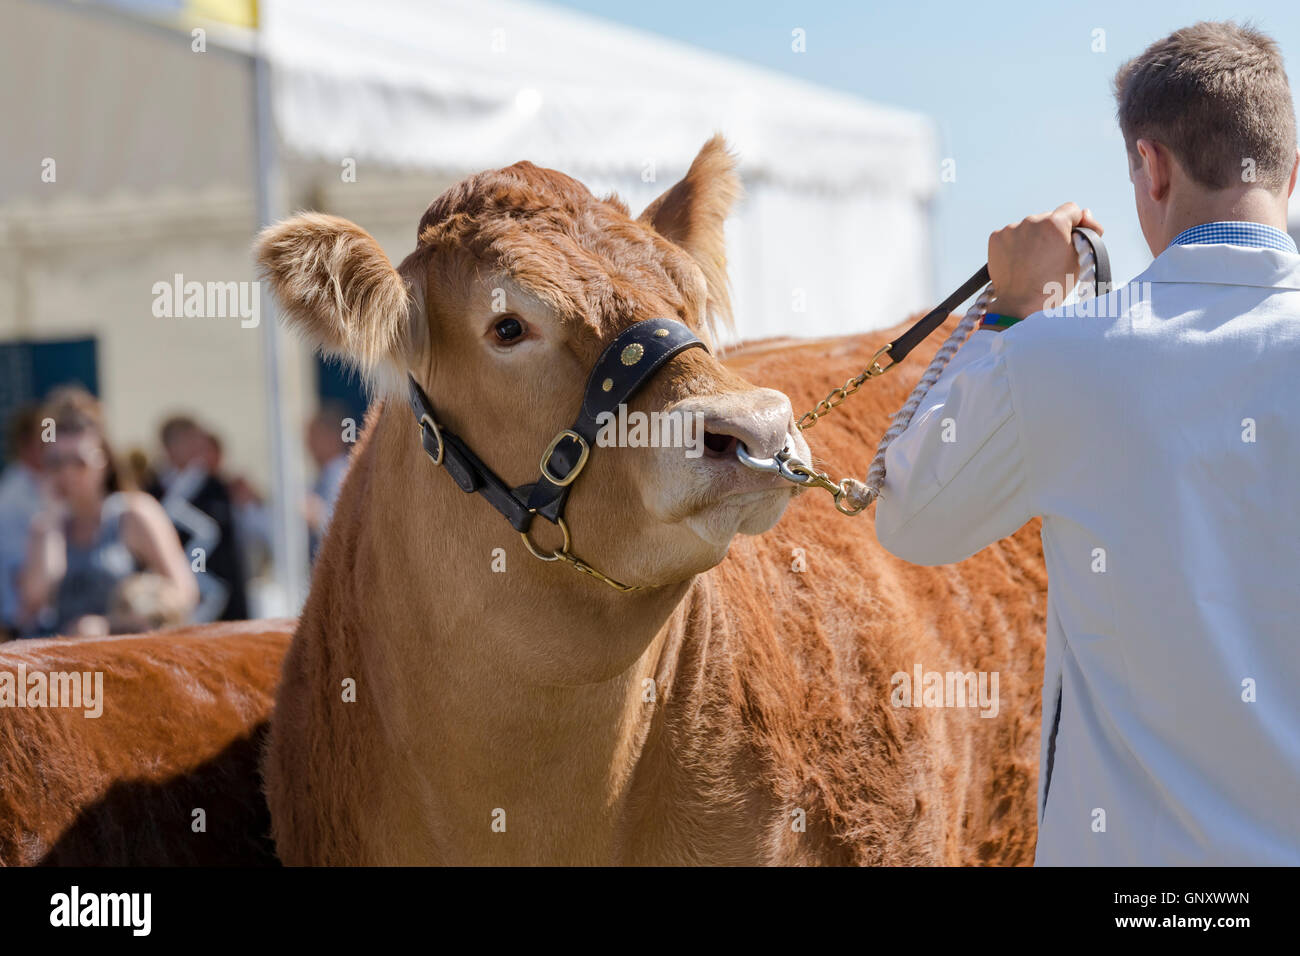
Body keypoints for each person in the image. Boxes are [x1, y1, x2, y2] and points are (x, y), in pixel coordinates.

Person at [874, 21, 1300, 865]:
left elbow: (908, 518)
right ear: (1291, 174)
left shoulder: (1061, 358)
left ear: (1152, 167)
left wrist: (1007, 311)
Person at [18, 387, 198, 637]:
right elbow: (33, 602)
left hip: (126, 661)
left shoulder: (134, 514)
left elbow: (184, 592)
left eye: (79, 461)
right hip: (68, 669)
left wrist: (111, 625)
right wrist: (51, 517)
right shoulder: (45, 526)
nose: (67, 473)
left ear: (105, 461)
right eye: (56, 462)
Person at [146, 416, 249, 621]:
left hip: (214, 583)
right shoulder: (153, 488)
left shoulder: (215, 487)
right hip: (169, 590)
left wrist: (196, 569)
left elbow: (217, 536)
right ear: (168, 446)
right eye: (186, 440)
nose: (195, 448)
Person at [0, 406, 50, 638]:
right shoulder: (12, 497)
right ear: (25, 444)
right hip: (30, 631)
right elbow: (19, 571)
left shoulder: (47, 486)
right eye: (45, 438)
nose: (51, 445)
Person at [304, 403, 352, 561]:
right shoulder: (325, 475)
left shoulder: (341, 474)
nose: (308, 446)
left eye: (313, 437)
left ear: (331, 437)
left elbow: (348, 527)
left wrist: (317, 516)